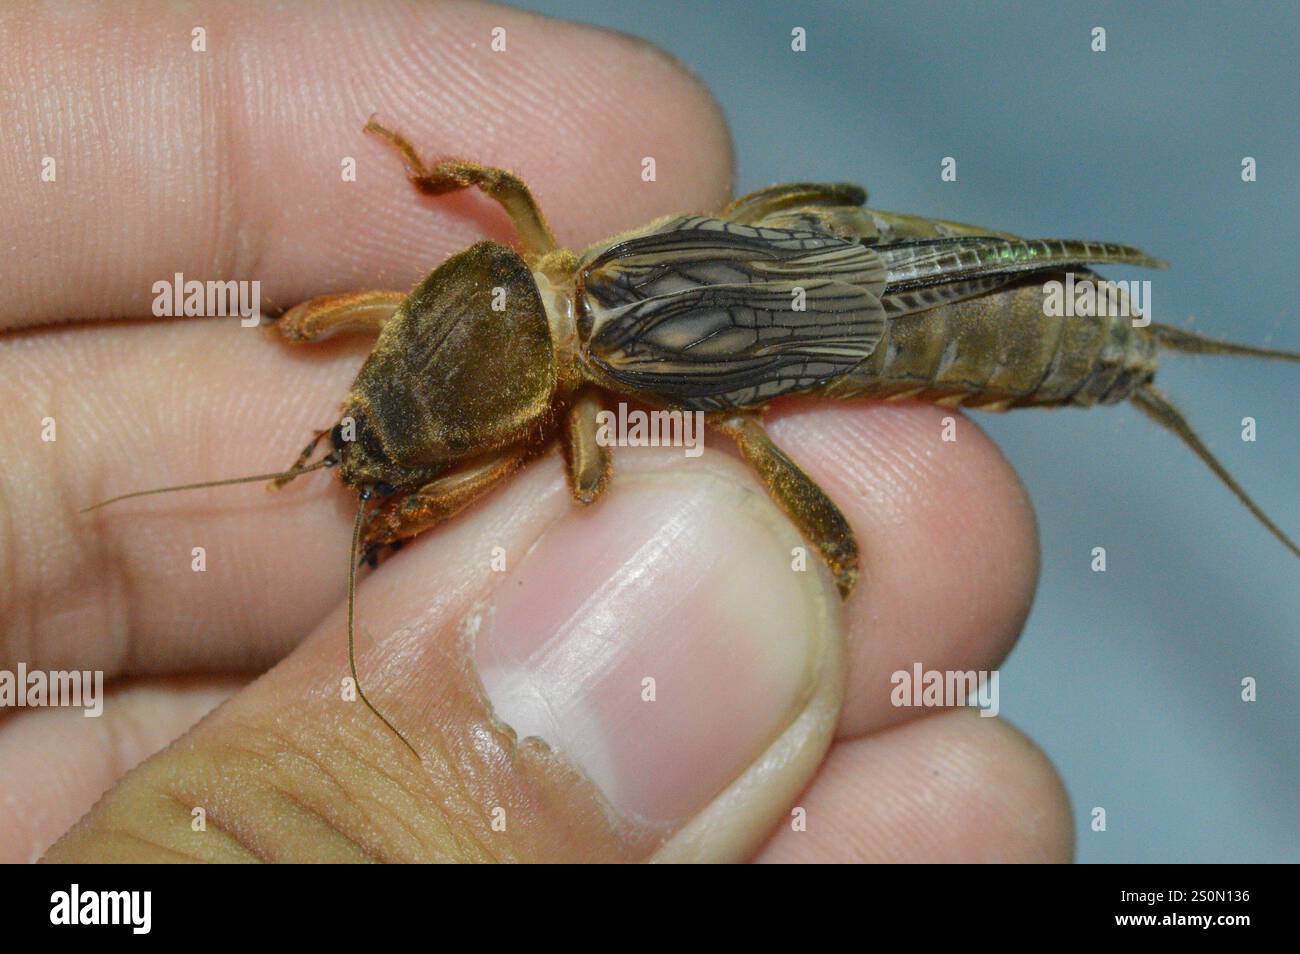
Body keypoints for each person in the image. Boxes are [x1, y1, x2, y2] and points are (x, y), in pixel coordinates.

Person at [1, 0, 1067, 863]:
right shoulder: (520, 269)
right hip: (832, 272)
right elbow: (480, 214)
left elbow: (589, 489)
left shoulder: (567, 405)